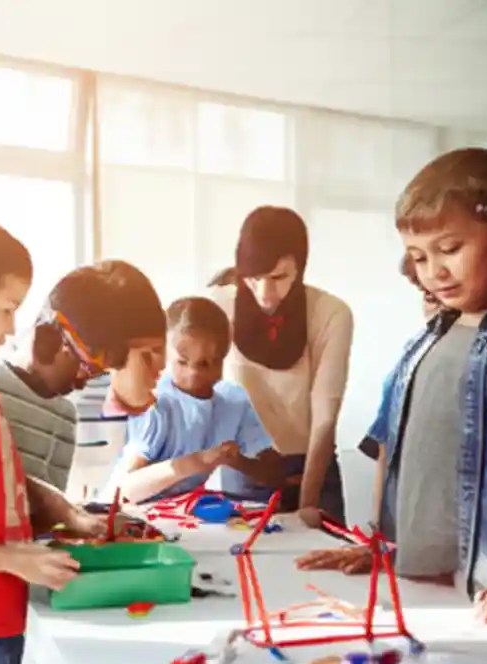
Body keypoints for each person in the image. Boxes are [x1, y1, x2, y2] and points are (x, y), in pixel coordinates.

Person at [297, 148, 487, 635]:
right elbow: (390, 451)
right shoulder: (423, 342)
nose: (432, 271)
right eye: (418, 257)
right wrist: (381, 542)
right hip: (414, 596)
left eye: (450, 248)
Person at [207, 206, 354, 526]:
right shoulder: (218, 306)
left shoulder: (330, 313)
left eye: (279, 277)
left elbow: (325, 413)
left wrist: (308, 501)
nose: (266, 293)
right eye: (254, 278)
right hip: (246, 467)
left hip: (312, 463)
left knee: (322, 563)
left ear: (300, 268)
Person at [0, 260, 166, 513]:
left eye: (99, 373)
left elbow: (47, 519)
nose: (83, 382)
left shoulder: (65, 417)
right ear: (50, 337)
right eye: (86, 366)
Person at [106, 297, 285, 504]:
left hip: (181, 516)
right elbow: (124, 490)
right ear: (165, 354)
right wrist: (194, 462)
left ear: (222, 362)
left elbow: (275, 474)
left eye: (205, 364)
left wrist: (239, 462)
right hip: (129, 515)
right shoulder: (155, 402)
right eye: (182, 362)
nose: (193, 373)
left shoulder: (232, 401)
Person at [357, 255, 444, 461]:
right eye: (426, 295)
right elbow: (383, 447)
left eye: (432, 295)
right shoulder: (416, 346)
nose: (431, 305)